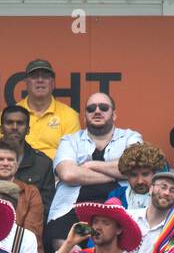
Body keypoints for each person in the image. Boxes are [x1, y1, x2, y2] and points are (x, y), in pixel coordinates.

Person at [46, 93, 142, 240]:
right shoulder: (70, 140)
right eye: (91, 109)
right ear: (84, 117)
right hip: (74, 210)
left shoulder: (131, 137)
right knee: (62, 239)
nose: (97, 111)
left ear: (114, 115)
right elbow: (67, 174)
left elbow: (134, 167)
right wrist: (116, 172)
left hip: (120, 208)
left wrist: (90, 165)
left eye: (103, 108)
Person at [0, 58, 80, 161]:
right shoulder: (9, 115)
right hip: (16, 170)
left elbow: (72, 156)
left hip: (54, 172)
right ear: (26, 82)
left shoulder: (69, 115)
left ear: (52, 83)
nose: (40, 80)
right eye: (34, 76)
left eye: (45, 76)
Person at [0, 106, 55, 216]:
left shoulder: (43, 164)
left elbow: (45, 208)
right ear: (1, 128)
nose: (15, 127)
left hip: (27, 225)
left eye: (20, 123)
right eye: (9, 123)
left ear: (28, 130)